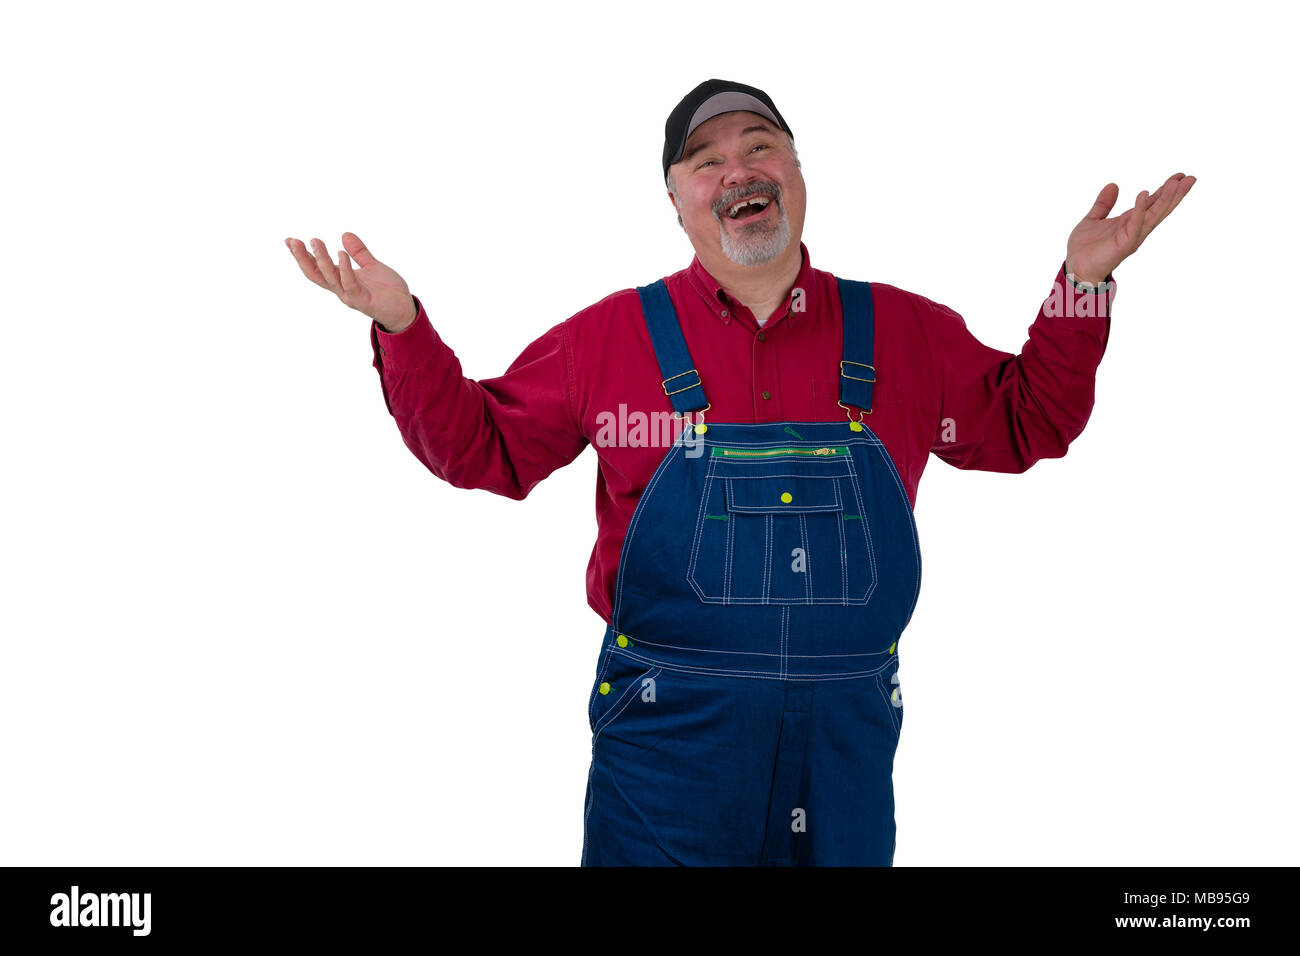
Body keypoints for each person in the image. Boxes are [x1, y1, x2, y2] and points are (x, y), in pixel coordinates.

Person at [285, 78, 1194, 866]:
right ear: (676, 201)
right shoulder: (609, 339)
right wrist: (403, 327)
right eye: (705, 161)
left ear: (798, 176)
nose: (738, 171)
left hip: (842, 748)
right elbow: (483, 447)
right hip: (667, 742)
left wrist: (1084, 285)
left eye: (761, 148)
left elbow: (1028, 420)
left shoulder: (908, 334)